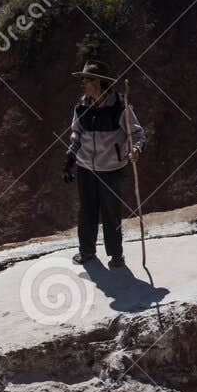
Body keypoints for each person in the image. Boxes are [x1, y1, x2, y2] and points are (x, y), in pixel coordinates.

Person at [62, 62, 145, 267]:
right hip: (86, 168)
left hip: (111, 169)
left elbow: (137, 134)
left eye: (86, 79)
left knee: (111, 213)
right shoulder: (82, 106)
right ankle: (87, 251)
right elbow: (76, 134)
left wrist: (135, 150)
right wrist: (69, 160)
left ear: (98, 82)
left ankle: (116, 255)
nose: (83, 84)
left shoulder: (119, 106)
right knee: (87, 210)